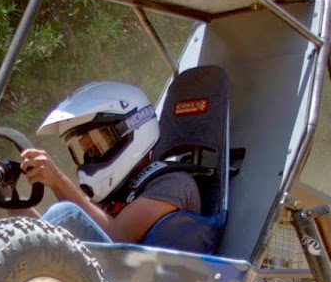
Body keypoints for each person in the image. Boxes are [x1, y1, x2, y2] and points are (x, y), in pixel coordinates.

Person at [20, 80, 199, 244]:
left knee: (65, 213)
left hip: (160, 278)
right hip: (112, 277)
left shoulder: (174, 183)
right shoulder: (115, 194)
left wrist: (58, 181)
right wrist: (11, 200)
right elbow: (48, 236)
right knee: (20, 226)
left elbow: (119, 237)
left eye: (98, 144)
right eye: (83, 151)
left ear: (133, 128)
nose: (91, 157)